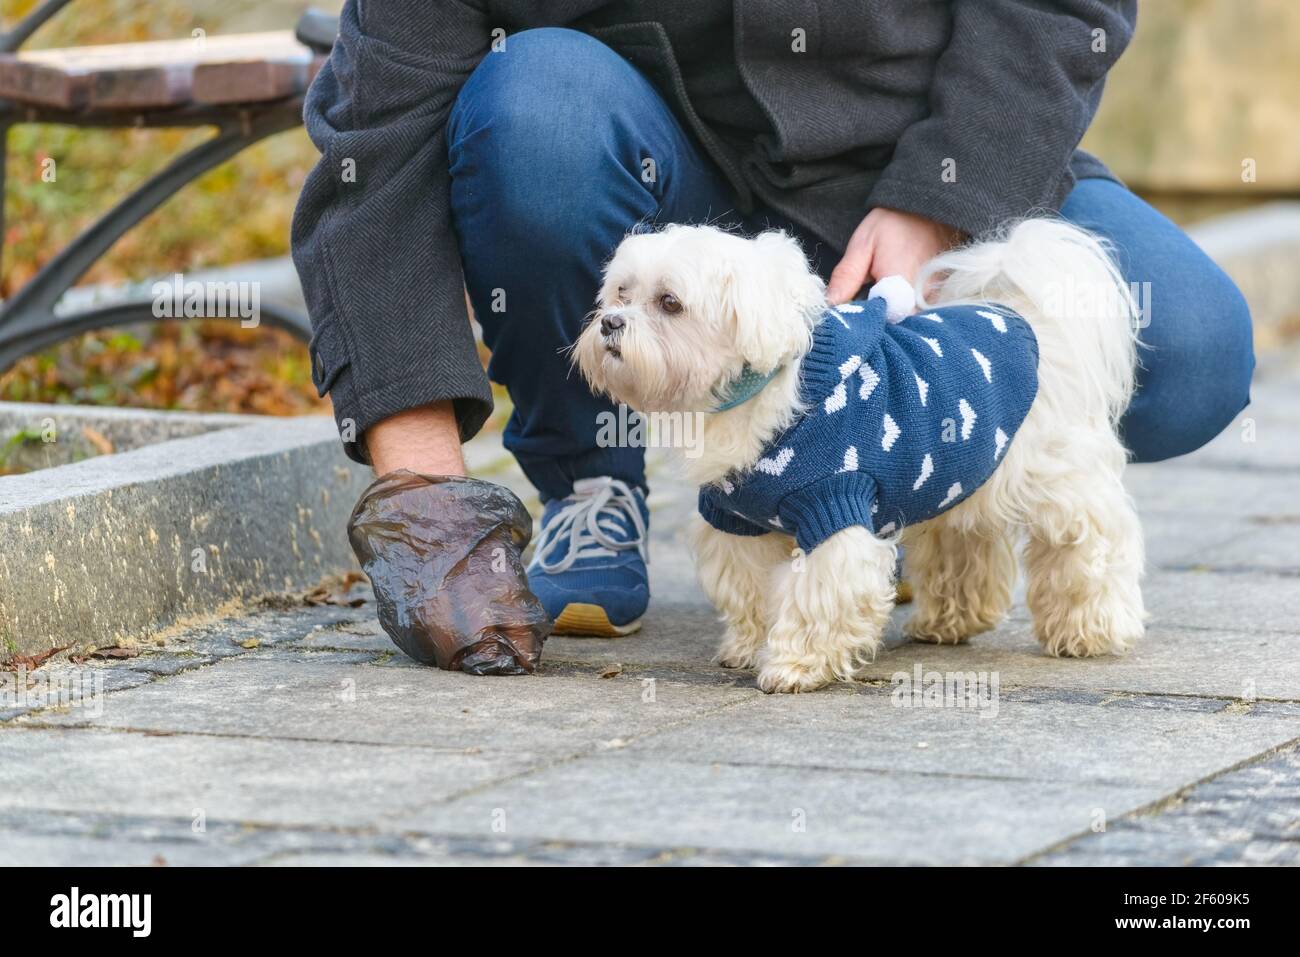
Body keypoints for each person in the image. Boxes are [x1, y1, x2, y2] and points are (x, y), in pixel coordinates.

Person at [291, 1, 1253, 665]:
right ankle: (591, 481)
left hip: (922, 148)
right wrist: (423, 491)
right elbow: (378, 130)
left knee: (1194, 351)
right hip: (647, 172)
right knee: (531, 99)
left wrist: (945, 198)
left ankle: (907, 489)